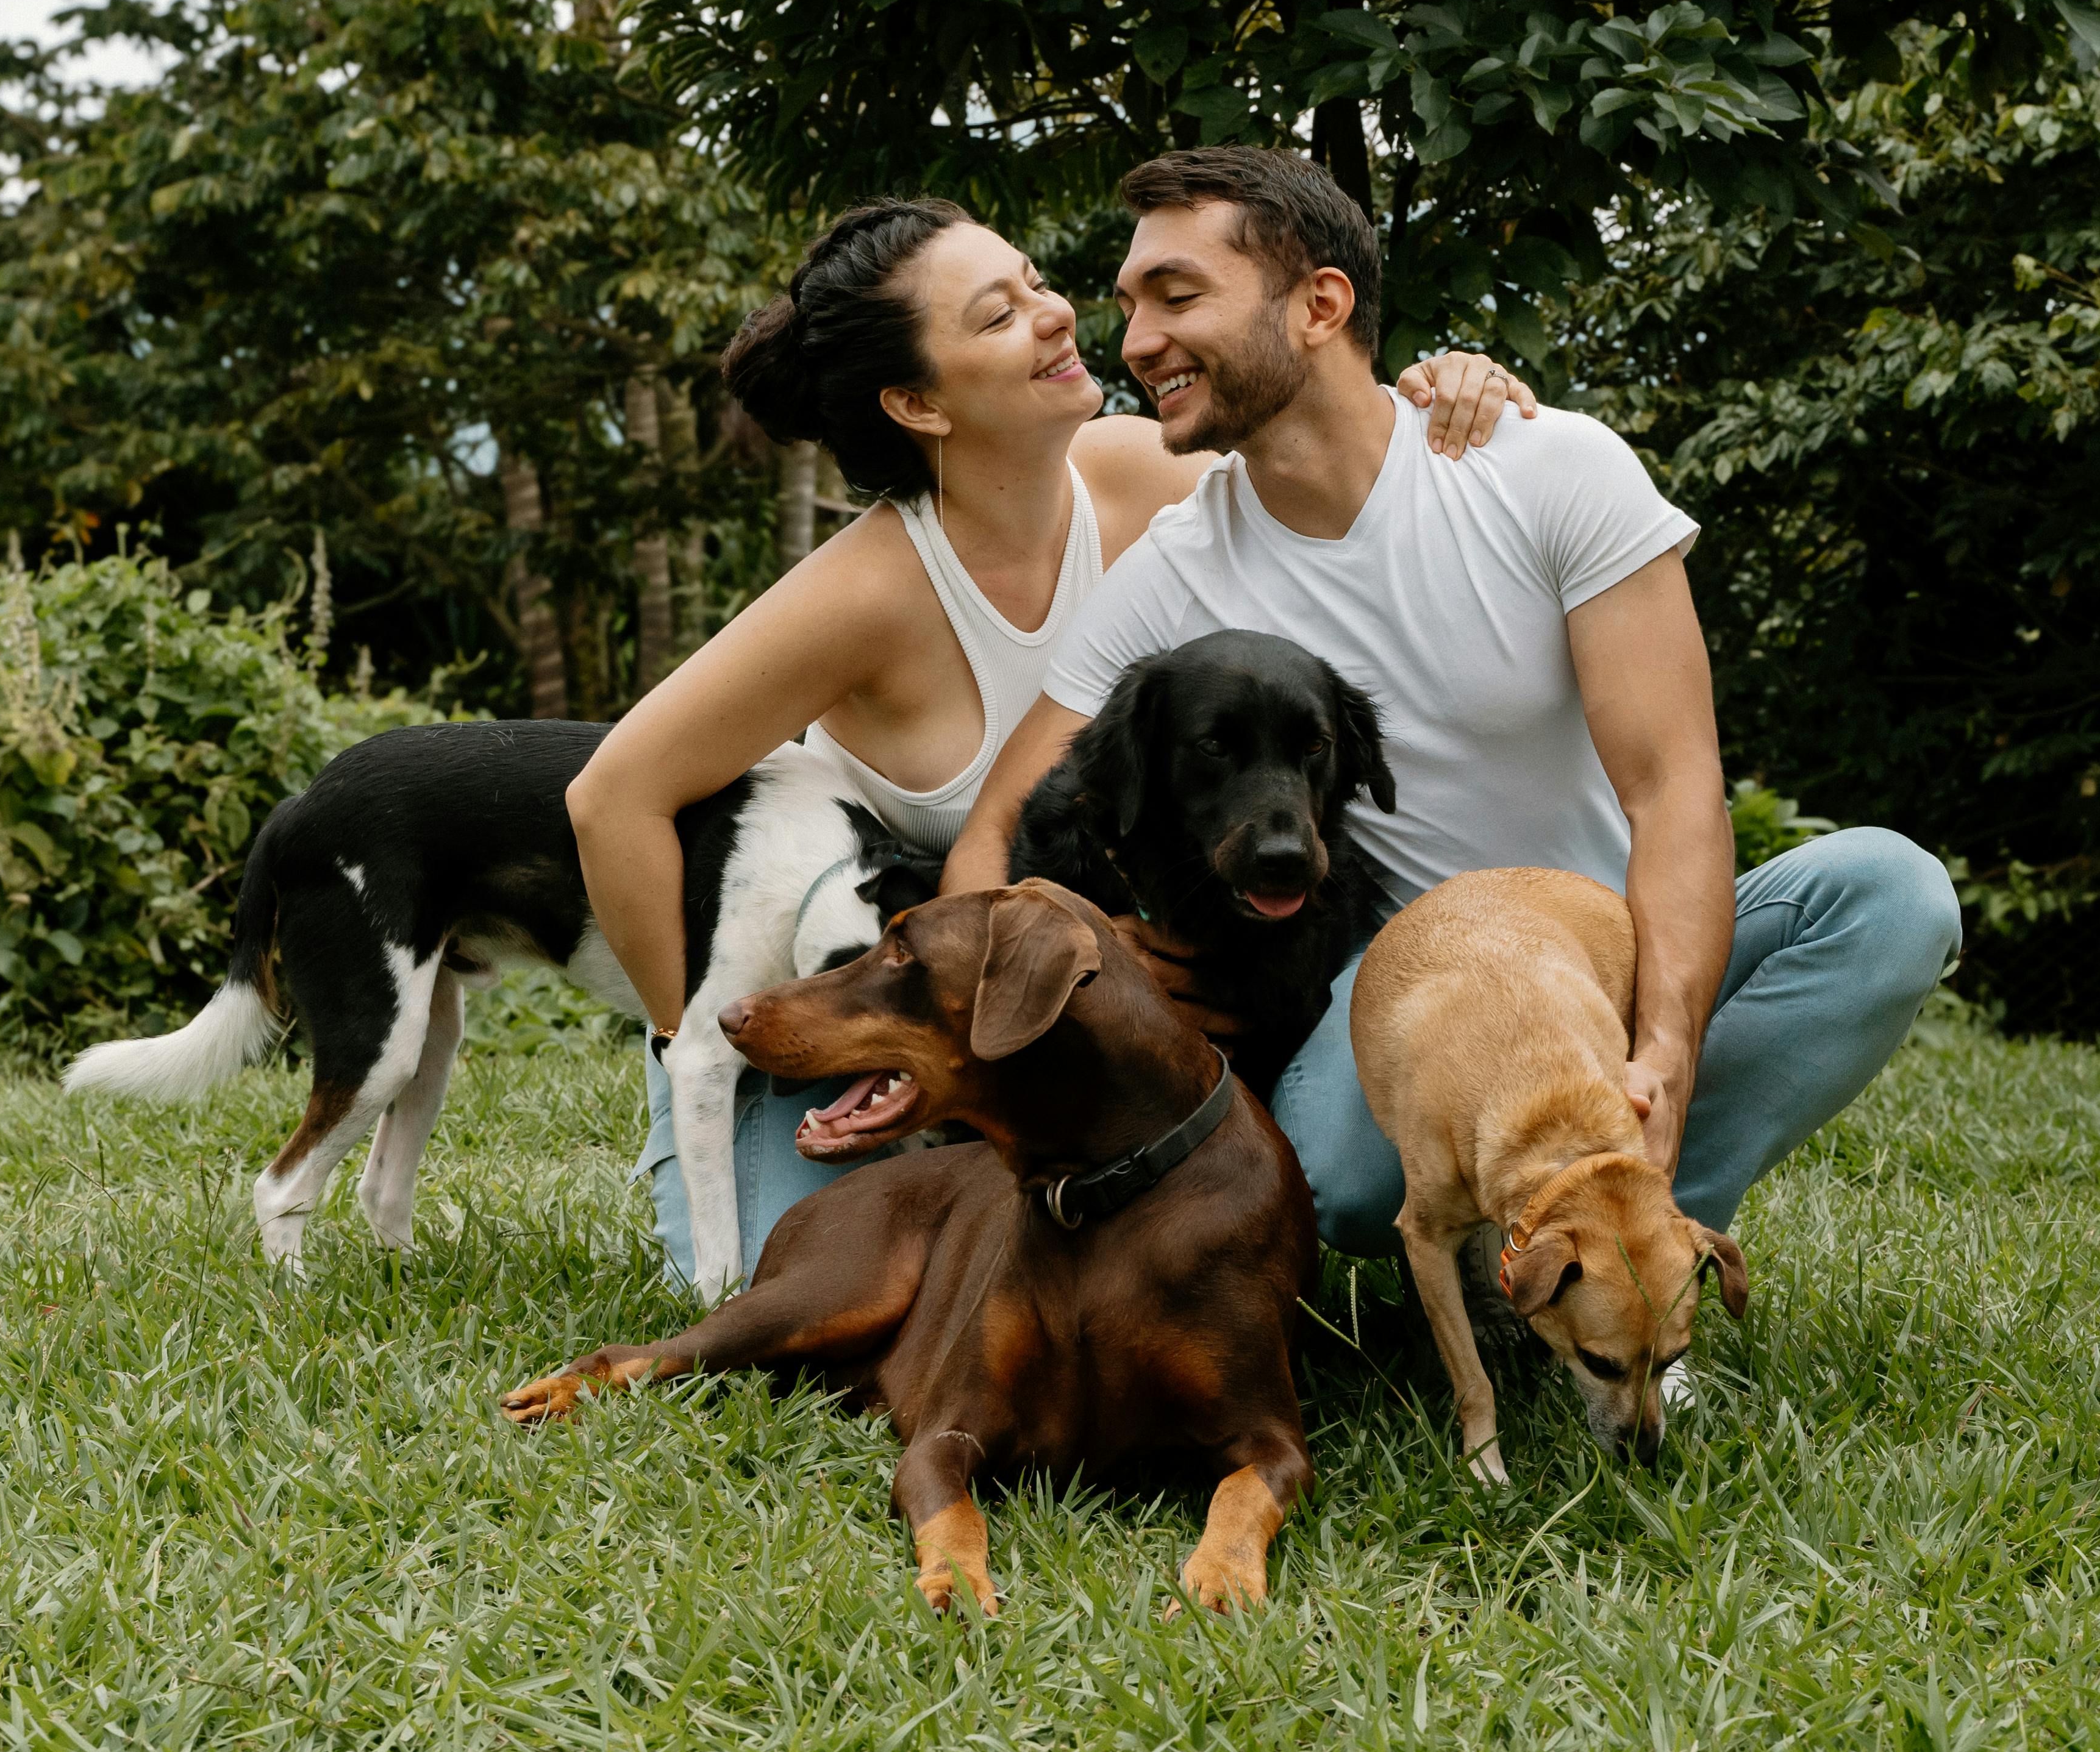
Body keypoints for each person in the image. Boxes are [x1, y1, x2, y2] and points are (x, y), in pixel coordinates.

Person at [946, 146, 1961, 1255]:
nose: (1137, 340)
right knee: (1332, 1183)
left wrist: (1666, 1055)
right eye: (1131, 306)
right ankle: (1533, 1233)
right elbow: (997, 830)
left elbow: (1675, 789)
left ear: (1320, 305)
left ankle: (1631, 1231)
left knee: (1893, 896)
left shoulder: (1548, 468)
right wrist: (1092, 958)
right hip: (1415, 993)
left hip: (1608, 949)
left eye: (1176, 297)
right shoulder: (1173, 575)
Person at [568, 194, 1532, 1286]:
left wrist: (1453, 384)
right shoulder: (865, 594)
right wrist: (691, 1041)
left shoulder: (1149, 474)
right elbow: (612, 800)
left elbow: (1344, 455)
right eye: (998, 315)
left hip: (1042, 1014)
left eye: (1034, 281)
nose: (1057, 314)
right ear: (917, 403)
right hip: (851, 1002)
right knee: (808, 1298)